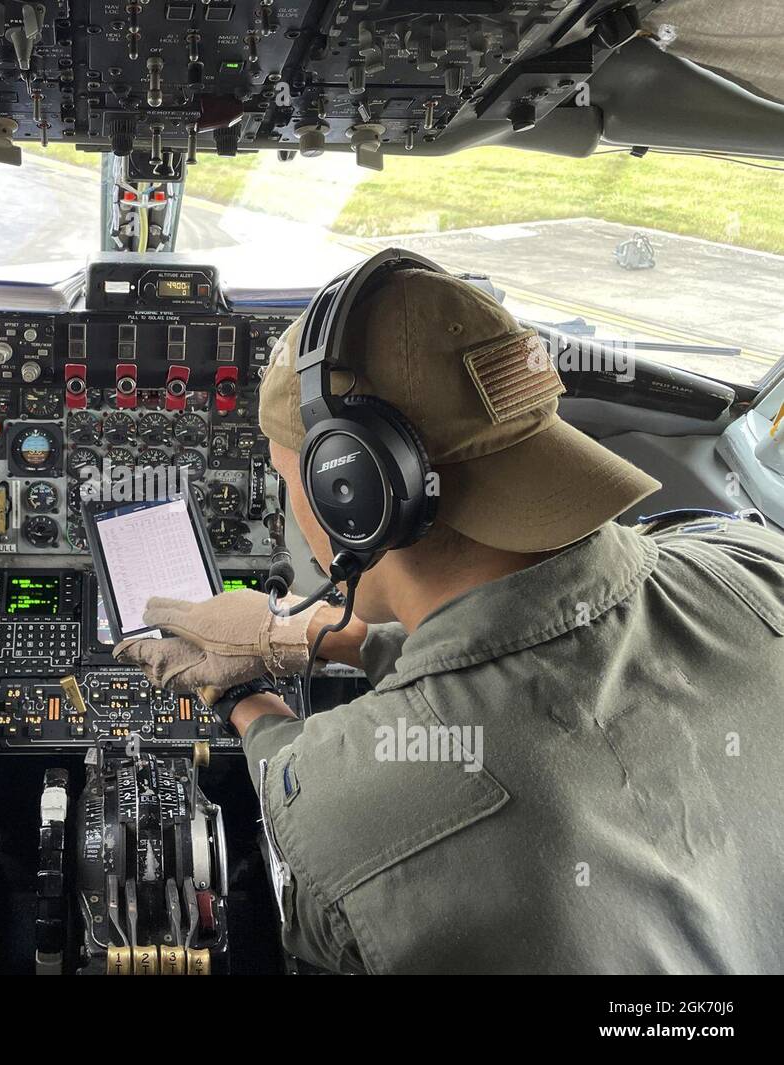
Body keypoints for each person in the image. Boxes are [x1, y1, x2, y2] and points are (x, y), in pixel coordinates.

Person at [116, 266, 784, 974]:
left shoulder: (360, 809)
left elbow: (304, 849)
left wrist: (236, 696)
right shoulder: (751, 562)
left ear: (355, 494)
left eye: (290, 479)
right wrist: (306, 634)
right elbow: (533, 629)